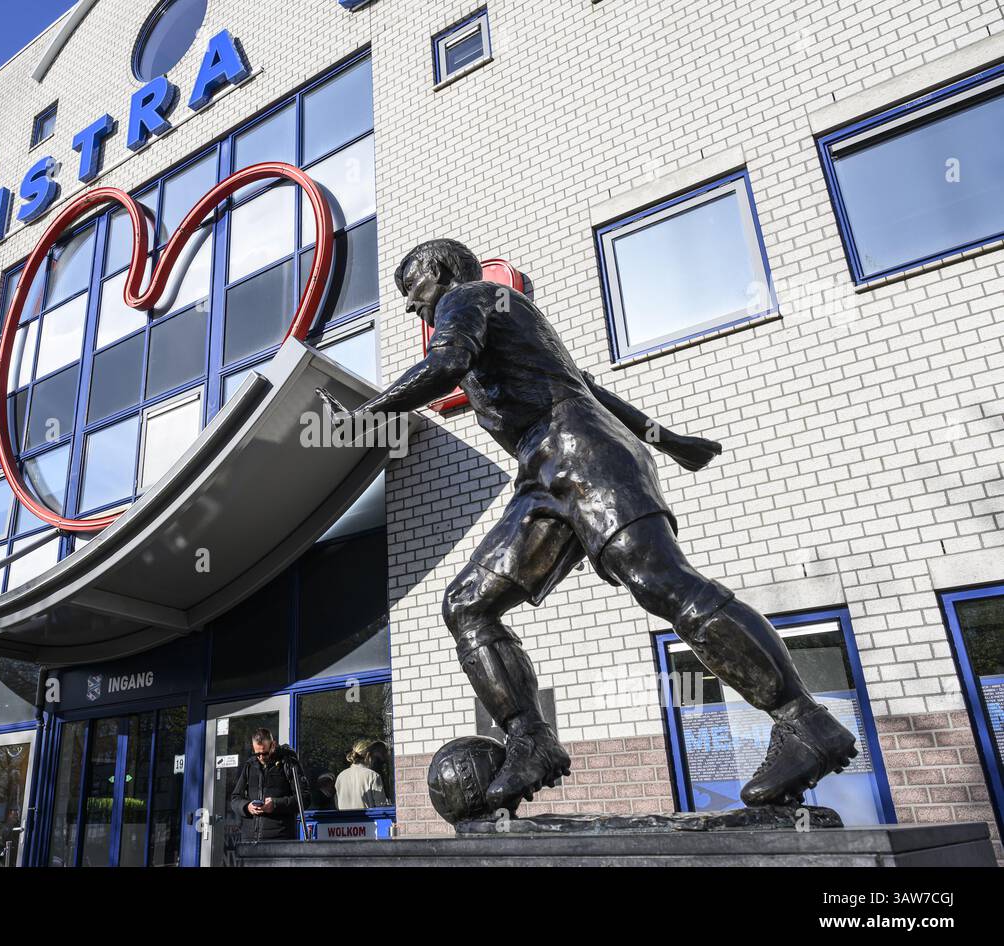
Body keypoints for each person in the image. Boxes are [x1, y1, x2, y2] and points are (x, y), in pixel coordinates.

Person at [318, 239, 857, 813]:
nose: (410, 307)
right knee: (468, 604)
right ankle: (532, 741)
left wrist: (363, 419)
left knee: (660, 581)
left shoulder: (471, 296)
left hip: (583, 454)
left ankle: (804, 722)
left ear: (442, 274)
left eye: (413, 290)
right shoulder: (508, 317)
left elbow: (448, 362)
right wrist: (668, 441)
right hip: (546, 473)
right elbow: (589, 387)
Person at [229, 728, 309, 843]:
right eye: (257, 754)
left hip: (280, 838)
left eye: (265, 753)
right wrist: (247, 807)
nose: (261, 757)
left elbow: (304, 799)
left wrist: (275, 804)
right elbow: (235, 799)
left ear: (273, 745)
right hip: (250, 839)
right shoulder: (250, 766)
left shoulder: (288, 763)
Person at [335, 739, 391, 809]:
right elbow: (381, 806)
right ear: (368, 755)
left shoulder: (340, 776)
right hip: (368, 819)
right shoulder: (373, 776)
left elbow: (337, 804)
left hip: (345, 819)